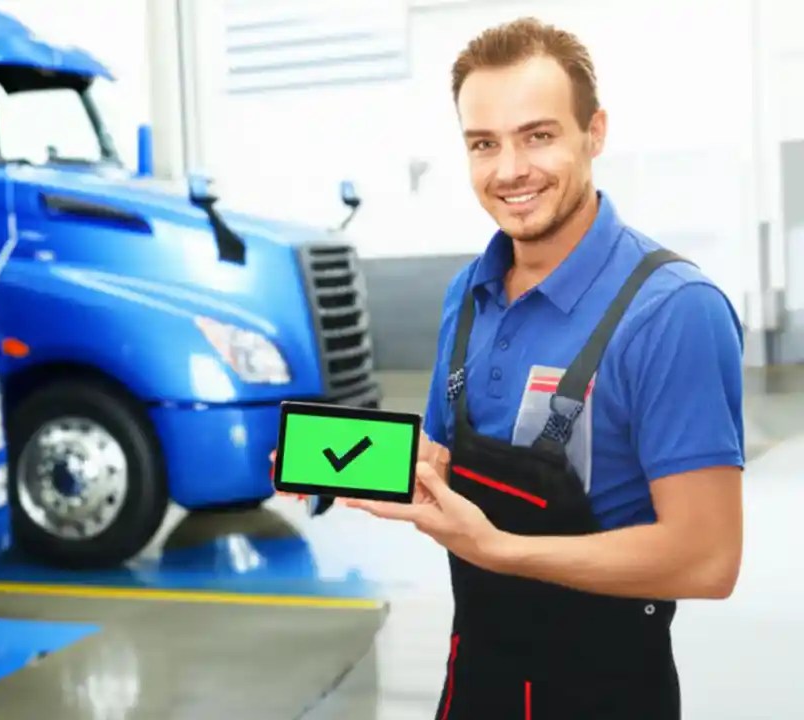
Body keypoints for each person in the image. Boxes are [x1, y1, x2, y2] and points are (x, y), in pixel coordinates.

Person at [272, 16, 745, 720]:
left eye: (538, 136)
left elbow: (707, 559)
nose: (510, 170)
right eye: (484, 144)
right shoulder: (469, 293)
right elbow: (444, 459)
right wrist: (352, 462)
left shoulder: (673, 311)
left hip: (605, 696)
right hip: (476, 680)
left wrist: (500, 549)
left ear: (594, 132)